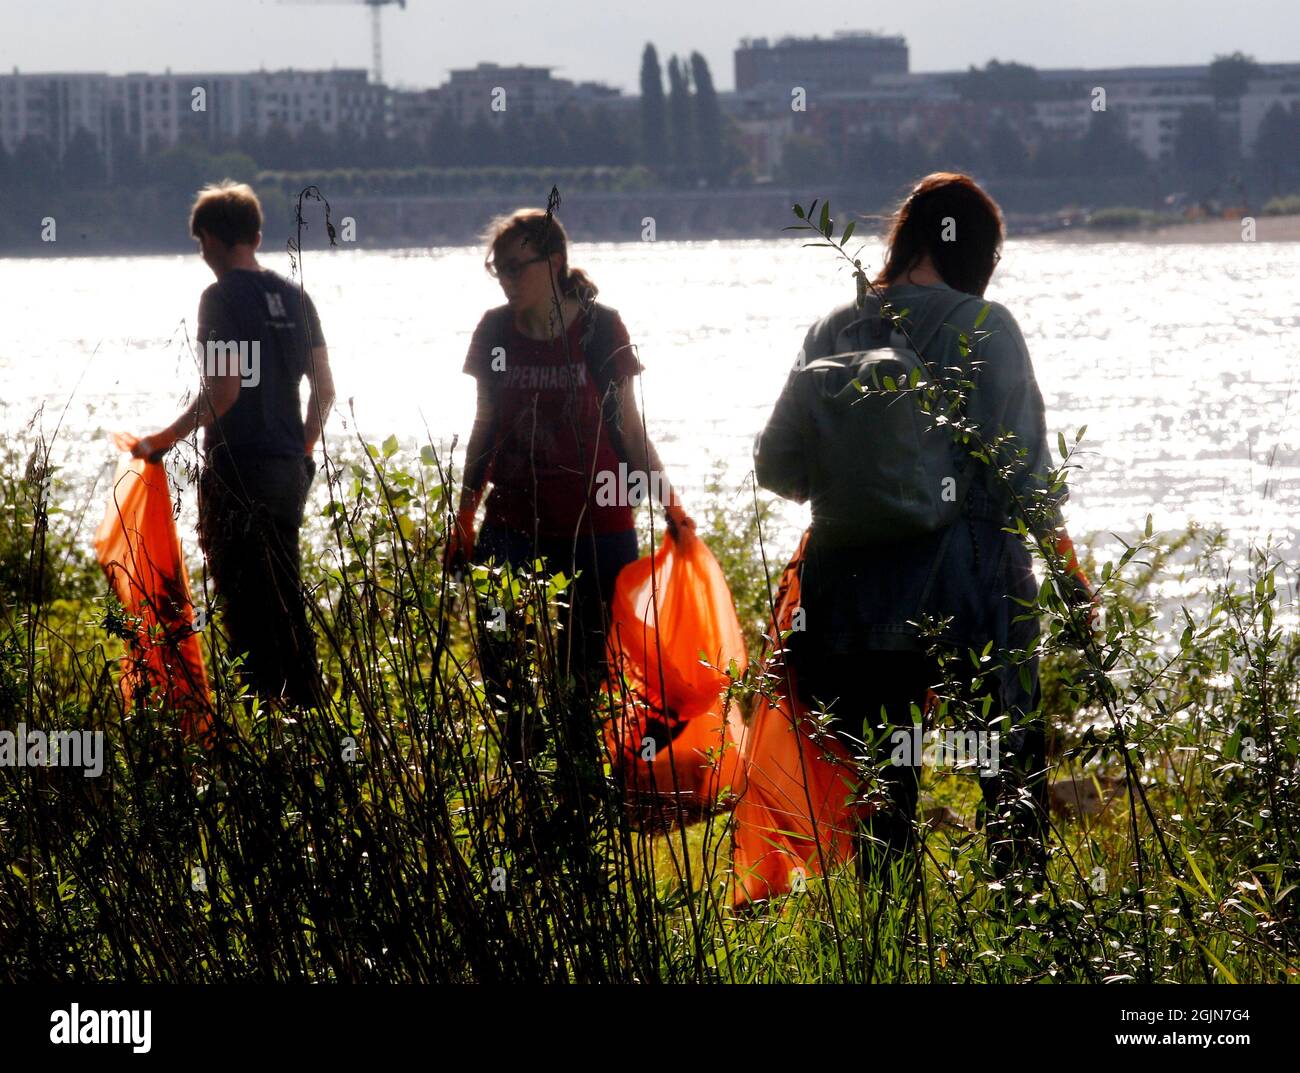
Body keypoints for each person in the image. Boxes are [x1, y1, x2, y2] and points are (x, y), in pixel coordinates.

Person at [754, 172, 1093, 886]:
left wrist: (861, 476)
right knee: (1007, 772)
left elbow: (780, 467)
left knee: (884, 791)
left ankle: (890, 948)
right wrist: (1073, 581)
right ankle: (1022, 927)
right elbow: (1028, 477)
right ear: (978, 253)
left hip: (850, 603)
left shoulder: (830, 329)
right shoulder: (986, 327)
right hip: (972, 593)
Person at [445, 207, 696, 780]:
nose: (506, 279)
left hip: (599, 532)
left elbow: (629, 429)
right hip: (511, 526)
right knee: (505, 664)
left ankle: (584, 800)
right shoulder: (494, 331)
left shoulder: (600, 328)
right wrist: (463, 514)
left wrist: (671, 505)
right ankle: (526, 788)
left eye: (516, 268)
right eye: (498, 269)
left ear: (554, 262)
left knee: (588, 678)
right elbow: (484, 426)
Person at [125, 180, 335, 710]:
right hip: (288, 469)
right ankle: (308, 709)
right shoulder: (295, 296)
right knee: (285, 589)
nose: (202, 255)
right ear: (258, 236)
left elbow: (224, 391)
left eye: (201, 244)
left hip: (239, 468)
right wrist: (303, 450)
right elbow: (325, 390)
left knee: (245, 601)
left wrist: (160, 442)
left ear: (211, 239)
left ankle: (270, 714)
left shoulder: (219, 299)